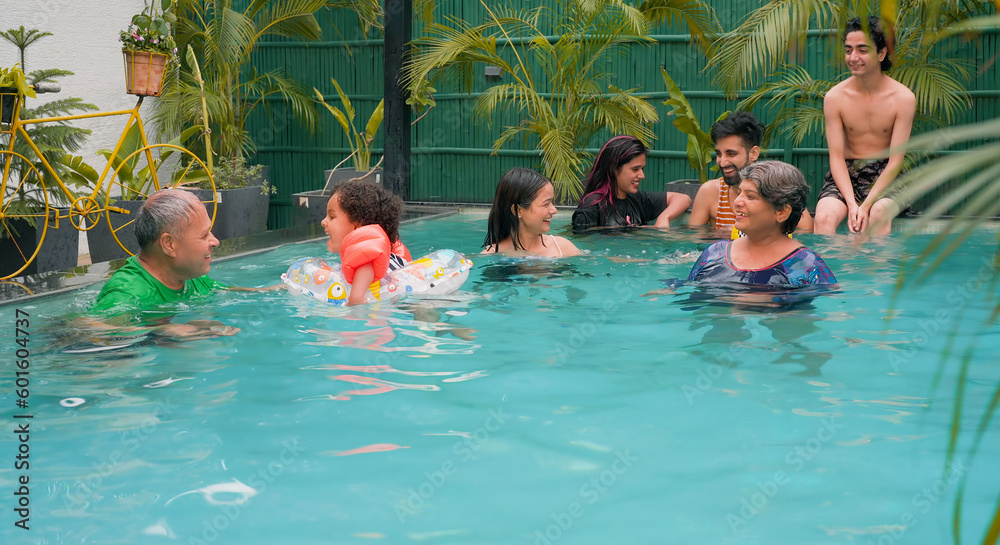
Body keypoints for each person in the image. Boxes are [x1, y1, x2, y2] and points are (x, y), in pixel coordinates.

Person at [90, 189, 248, 339]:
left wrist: (269, 291)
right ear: (169, 244)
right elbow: (87, 328)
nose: (215, 242)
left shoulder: (188, 275)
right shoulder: (127, 291)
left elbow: (223, 290)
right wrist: (161, 330)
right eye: (204, 235)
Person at [815, 16, 916, 235]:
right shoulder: (835, 97)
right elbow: (836, 157)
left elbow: (896, 161)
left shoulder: (903, 98)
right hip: (846, 174)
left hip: (886, 175)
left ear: (881, 53)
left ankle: (875, 270)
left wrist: (867, 204)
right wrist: (852, 203)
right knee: (823, 217)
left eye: (862, 50)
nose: (853, 57)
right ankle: (830, 270)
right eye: (848, 50)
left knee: (878, 214)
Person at [688, 161, 836, 286]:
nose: (737, 201)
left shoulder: (806, 266)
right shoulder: (714, 253)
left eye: (750, 196)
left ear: (781, 212)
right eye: (739, 193)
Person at [689, 112, 813, 233]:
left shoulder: (773, 190)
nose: (722, 162)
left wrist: (739, 233)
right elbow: (693, 241)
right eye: (718, 154)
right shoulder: (710, 192)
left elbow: (806, 232)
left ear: (754, 153)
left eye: (731, 154)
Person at [572, 136, 691, 231]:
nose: (642, 175)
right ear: (613, 168)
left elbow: (683, 199)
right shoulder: (591, 207)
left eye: (642, 169)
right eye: (635, 169)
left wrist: (664, 218)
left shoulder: (638, 199)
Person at [321, 179, 409, 305]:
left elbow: (357, 300)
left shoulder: (364, 259)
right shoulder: (390, 257)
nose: (323, 222)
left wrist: (354, 300)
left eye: (332, 217)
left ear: (357, 226)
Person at [482, 167, 581, 257]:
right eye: (546, 204)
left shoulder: (564, 248)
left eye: (552, 202)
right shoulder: (491, 255)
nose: (554, 210)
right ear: (518, 211)